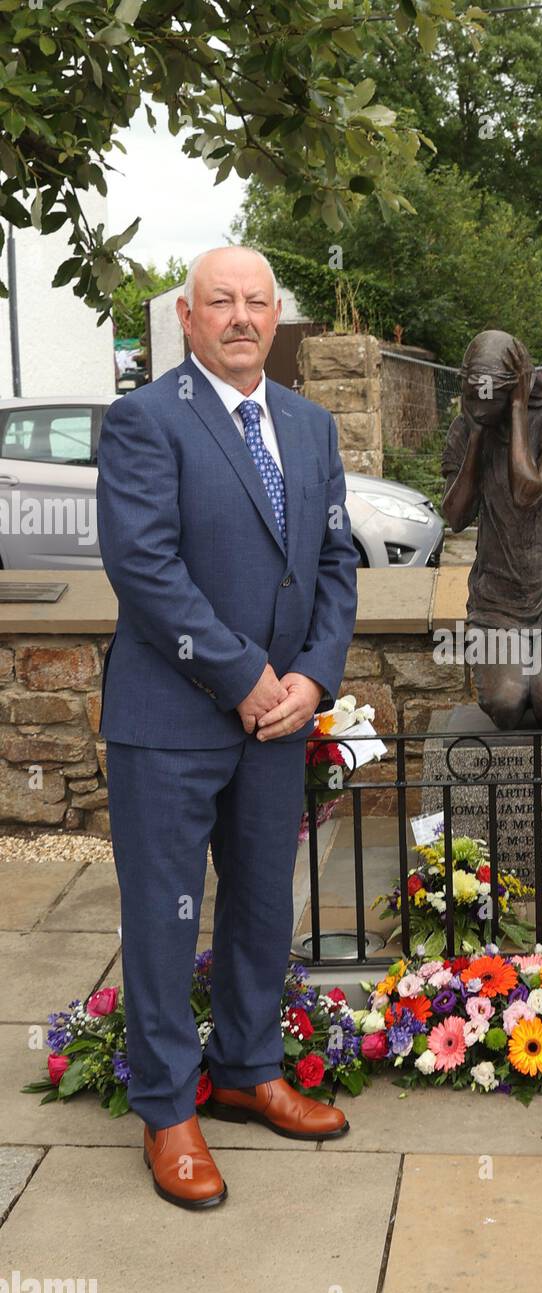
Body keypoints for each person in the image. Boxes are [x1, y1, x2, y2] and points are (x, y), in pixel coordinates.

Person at [96, 245, 359, 1210]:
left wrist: (311, 678)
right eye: (222, 302)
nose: (241, 317)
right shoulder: (144, 420)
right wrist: (247, 676)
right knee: (163, 922)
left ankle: (249, 1070)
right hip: (171, 721)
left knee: (260, 906)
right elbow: (146, 568)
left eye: (256, 302)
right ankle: (167, 1108)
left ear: (275, 312)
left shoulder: (310, 425)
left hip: (281, 720)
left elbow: (336, 564)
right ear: (187, 313)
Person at [441, 330, 542, 729]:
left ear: (517, 386)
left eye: (490, 393)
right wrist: (476, 433)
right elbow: (456, 517)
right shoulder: (466, 427)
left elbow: (527, 491)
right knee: (507, 704)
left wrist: (516, 413)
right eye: (472, 392)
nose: (479, 403)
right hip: (496, 604)